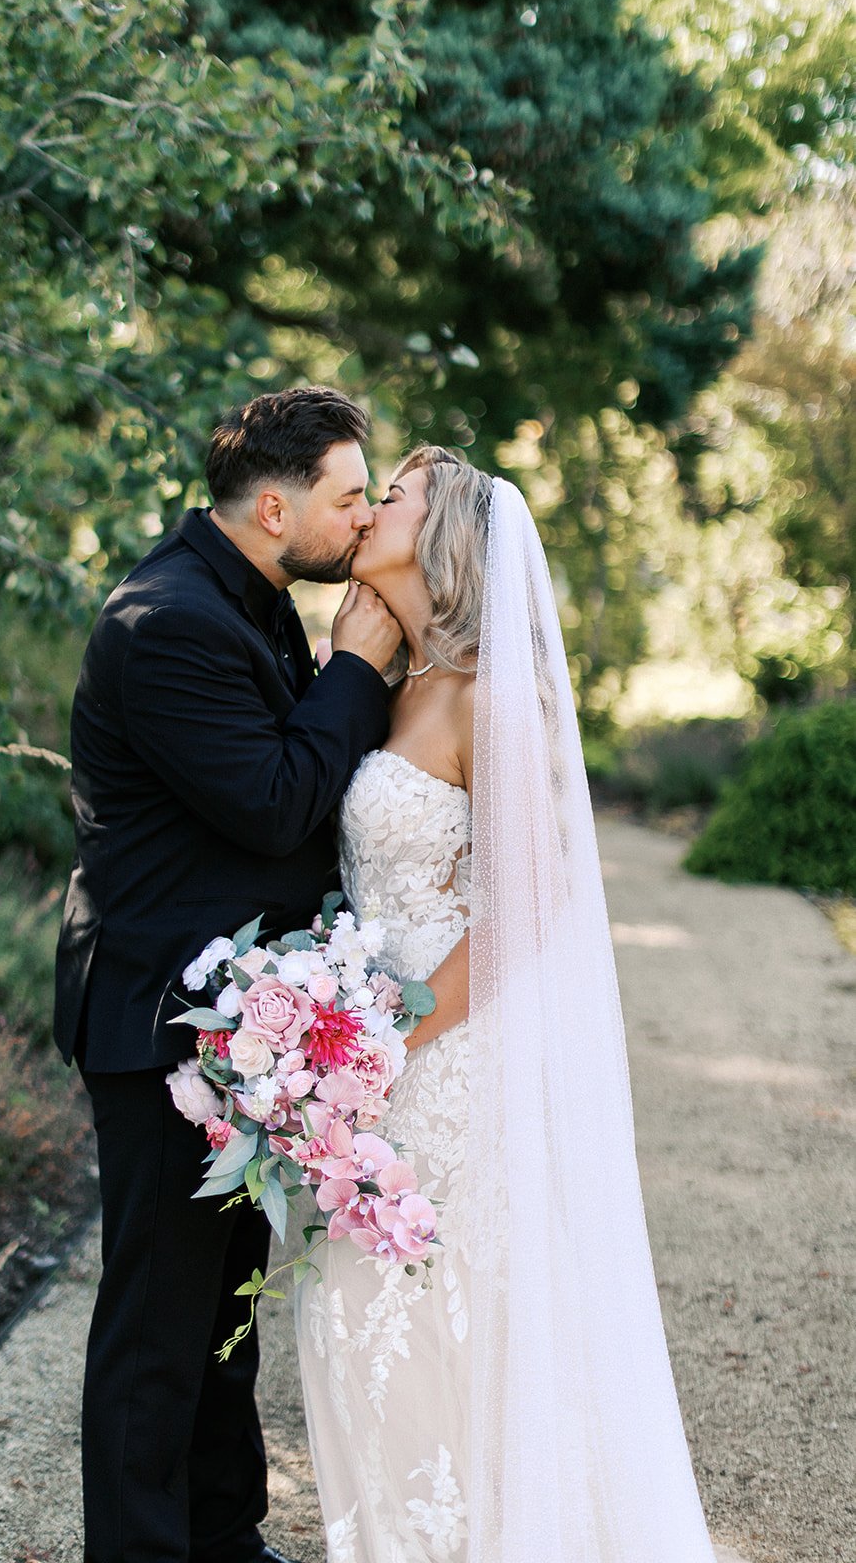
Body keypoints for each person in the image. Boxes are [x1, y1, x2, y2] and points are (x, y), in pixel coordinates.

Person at [295, 446, 722, 1563]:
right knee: (354, 1333)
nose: (365, 510)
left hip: (444, 1066)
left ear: (442, 537)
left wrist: (386, 1041)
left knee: (457, 1336)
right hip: (362, 1069)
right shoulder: (387, 686)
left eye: (389, 495)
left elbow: (530, 908)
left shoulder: (491, 697)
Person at [53, 386, 402, 1563]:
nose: (363, 519)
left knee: (220, 1315)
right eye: (347, 498)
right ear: (273, 508)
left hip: (238, 1026)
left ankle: (222, 1536)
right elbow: (271, 801)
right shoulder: (167, 622)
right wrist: (357, 663)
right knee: (156, 1324)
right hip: (159, 1018)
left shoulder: (248, 598)